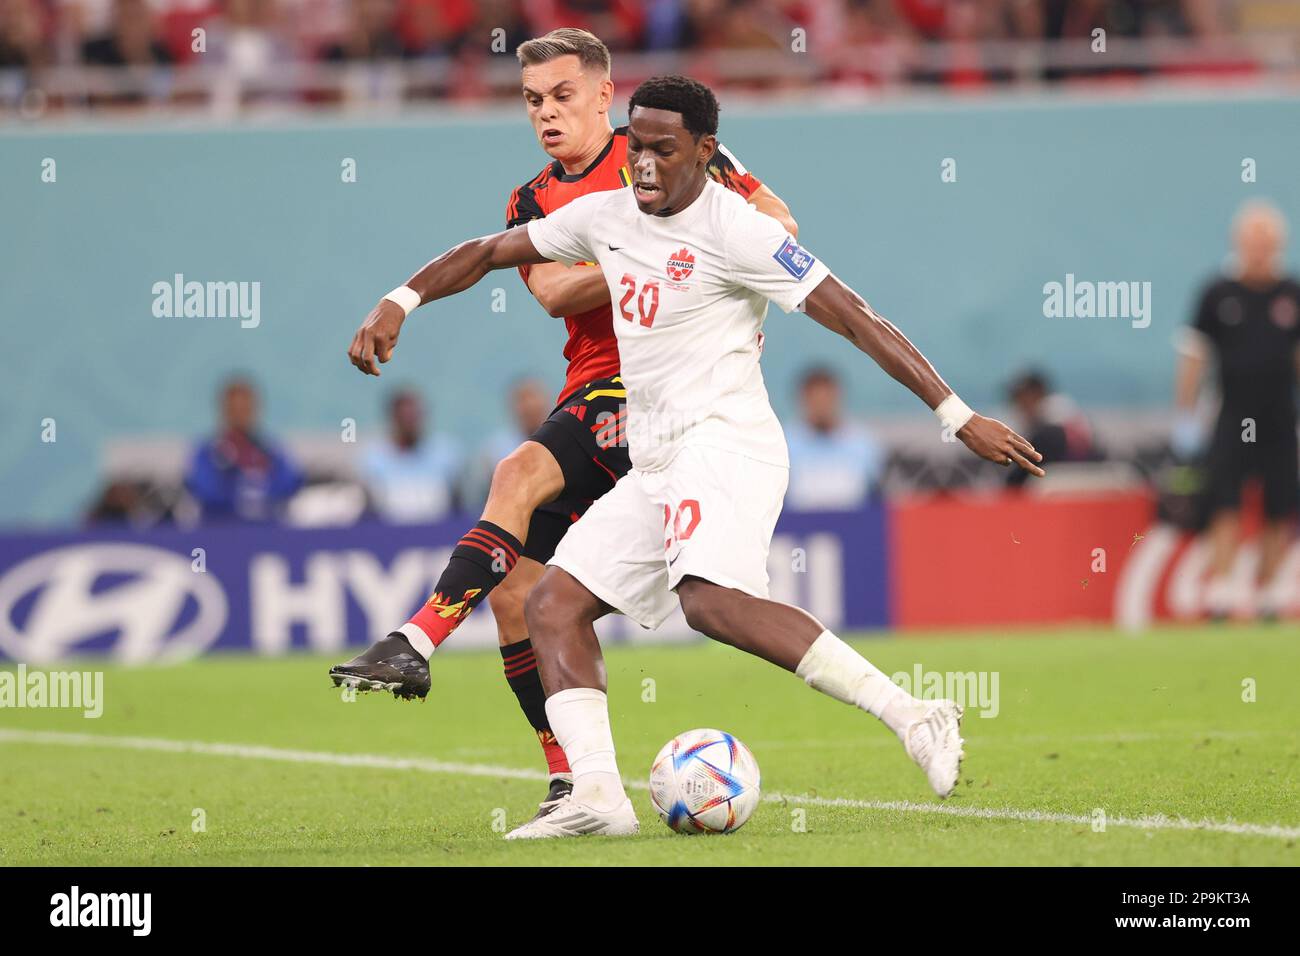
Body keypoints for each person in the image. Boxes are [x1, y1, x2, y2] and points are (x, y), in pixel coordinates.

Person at [341, 74, 1044, 838]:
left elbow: (857, 318)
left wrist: (956, 414)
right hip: (658, 459)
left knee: (709, 602)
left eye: (662, 150)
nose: (642, 164)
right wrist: (399, 300)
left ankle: (915, 715)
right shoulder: (607, 214)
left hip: (729, 447)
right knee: (552, 604)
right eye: (635, 146)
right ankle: (599, 799)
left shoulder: (737, 231)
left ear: (707, 153)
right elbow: (487, 252)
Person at [329, 28, 800, 822]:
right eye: (532, 101)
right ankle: (576, 787)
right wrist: (403, 296)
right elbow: (550, 290)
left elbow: (779, 220)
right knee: (519, 594)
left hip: (655, 387)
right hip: (589, 386)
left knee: (515, 473)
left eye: (562, 97)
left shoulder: (664, 150)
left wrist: (669, 251)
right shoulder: (532, 200)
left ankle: (413, 642)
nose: (546, 114)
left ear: (604, 96)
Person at [1174, 201, 1300, 620]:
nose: (1260, 249)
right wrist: (1187, 417)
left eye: (1267, 241)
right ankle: (1224, 591)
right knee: (1225, 503)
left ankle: (1267, 593)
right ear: (1239, 243)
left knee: (1279, 506)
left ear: (1278, 245)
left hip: (1281, 417)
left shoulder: (1291, 295)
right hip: (1232, 415)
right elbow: (1194, 356)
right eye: (1252, 241)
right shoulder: (1218, 293)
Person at [185, 376, 302, 523]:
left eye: (245, 408)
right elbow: (205, 491)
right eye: (234, 409)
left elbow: (289, 484)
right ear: (224, 410)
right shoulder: (208, 451)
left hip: (268, 530)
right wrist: (238, 484)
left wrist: (259, 491)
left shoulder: (271, 450)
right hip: (220, 530)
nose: (240, 415)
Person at [784, 365, 885, 510]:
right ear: (803, 400)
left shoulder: (862, 443)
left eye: (826, 399)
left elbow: (876, 493)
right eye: (815, 400)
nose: (821, 407)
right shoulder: (785, 443)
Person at [360, 388, 463, 523]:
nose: (409, 424)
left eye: (413, 417)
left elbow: (457, 506)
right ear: (393, 418)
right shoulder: (373, 460)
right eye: (404, 418)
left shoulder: (446, 455)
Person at [1003, 369, 1098, 488]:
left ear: (1036, 394)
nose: (1018, 407)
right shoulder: (1065, 410)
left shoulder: (1051, 421)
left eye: (1021, 398)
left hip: (1071, 477)